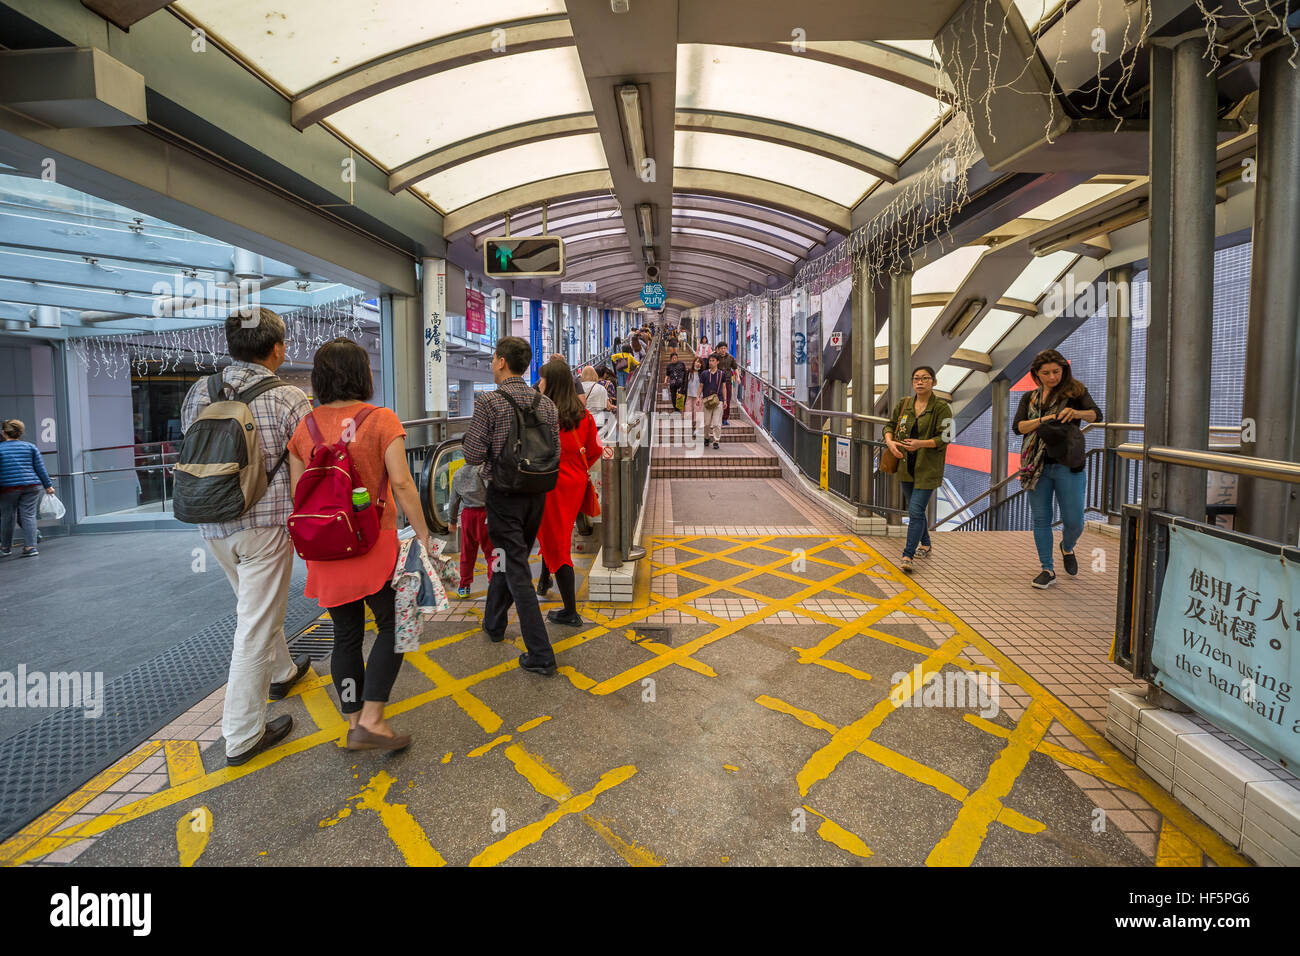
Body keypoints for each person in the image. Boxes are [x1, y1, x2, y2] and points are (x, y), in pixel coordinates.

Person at [180, 308, 314, 766]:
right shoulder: (289, 397)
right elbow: (310, 463)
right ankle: (242, 734)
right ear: (277, 348)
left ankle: (283, 671)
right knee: (254, 625)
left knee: (255, 610)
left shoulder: (201, 389)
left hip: (211, 521)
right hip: (266, 527)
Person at [287, 337, 432, 751]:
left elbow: (302, 494)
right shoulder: (381, 418)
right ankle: (372, 718)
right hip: (372, 544)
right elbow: (402, 483)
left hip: (325, 546)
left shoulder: (306, 427)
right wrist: (424, 533)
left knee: (345, 635)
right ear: (362, 374)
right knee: (396, 626)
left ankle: (354, 724)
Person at [462, 336, 561, 676]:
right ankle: (493, 623)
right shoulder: (546, 403)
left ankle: (541, 653)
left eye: (493, 359)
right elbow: (555, 450)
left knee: (516, 568)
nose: (492, 364)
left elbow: (472, 455)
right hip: (537, 494)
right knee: (508, 558)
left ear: (502, 362)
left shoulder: (490, 402)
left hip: (504, 495)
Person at [1013, 348, 1102, 589]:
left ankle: (1067, 546)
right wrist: (1043, 420)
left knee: (1074, 520)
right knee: (1041, 518)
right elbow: (1018, 427)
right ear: (1036, 374)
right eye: (1046, 373)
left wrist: (1077, 412)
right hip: (1036, 466)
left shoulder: (1076, 392)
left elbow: (1097, 415)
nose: (1052, 377)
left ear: (1064, 370)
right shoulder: (1030, 398)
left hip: (1068, 464)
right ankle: (1047, 568)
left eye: (1056, 371)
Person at [533, 359, 607, 626]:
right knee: (557, 534)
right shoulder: (583, 415)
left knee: (559, 544)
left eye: (541, 380)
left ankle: (570, 611)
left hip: (551, 485)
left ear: (550, 384)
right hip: (574, 484)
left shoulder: (542, 416)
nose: (539, 384)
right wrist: (577, 468)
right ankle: (545, 579)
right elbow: (596, 450)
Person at [883, 366, 952, 573]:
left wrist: (920, 444)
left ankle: (907, 555)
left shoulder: (941, 408)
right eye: (916, 379)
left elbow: (946, 437)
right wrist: (890, 443)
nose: (920, 382)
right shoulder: (904, 404)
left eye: (925, 378)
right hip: (905, 466)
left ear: (934, 382)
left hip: (927, 468)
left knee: (914, 511)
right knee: (917, 511)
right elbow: (889, 425)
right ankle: (927, 544)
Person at [0, 419, 55, 558]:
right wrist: (48, 486)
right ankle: (30, 547)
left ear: (3, 433)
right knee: (29, 516)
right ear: (20, 433)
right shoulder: (30, 447)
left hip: (8, 488)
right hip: (32, 486)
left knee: (8, 516)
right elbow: (40, 468)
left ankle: (5, 548)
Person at [448, 461, 492, 598]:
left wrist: (452, 520)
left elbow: (453, 501)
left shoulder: (458, 474)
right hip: (486, 514)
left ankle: (464, 586)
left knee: (467, 553)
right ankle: (494, 583)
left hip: (467, 516)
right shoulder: (483, 470)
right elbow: (491, 493)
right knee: (492, 552)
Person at [699, 354, 725, 450]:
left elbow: (724, 387)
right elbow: (701, 386)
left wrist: (725, 400)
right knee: (706, 423)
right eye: (710, 360)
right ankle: (706, 437)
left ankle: (716, 441)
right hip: (707, 401)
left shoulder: (722, 374)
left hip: (719, 400)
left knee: (717, 423)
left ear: (717, 362)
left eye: (713, 360)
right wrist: (698, 397)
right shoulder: (704, 374)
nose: (711, 362)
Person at [713, 341, 737, 425]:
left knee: (727, 400)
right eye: (721, 348)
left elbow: (735, 368)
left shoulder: (731, 357)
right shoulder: (715, 357)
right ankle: (716, 418)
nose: (723, 350)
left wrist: (738, 378)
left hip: (727, 381)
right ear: (718, 349)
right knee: (717, 400)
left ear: (726, 349)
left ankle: (725, 418)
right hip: (717, 382)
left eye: (724, 348)